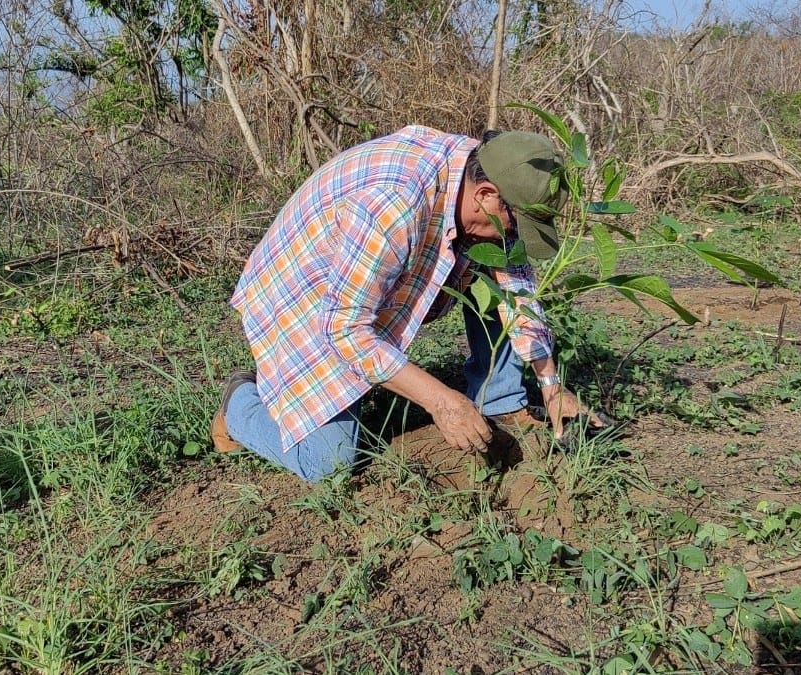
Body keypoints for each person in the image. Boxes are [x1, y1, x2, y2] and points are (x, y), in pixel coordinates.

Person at [210, 126, 604, 482]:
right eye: (516, 223)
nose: (515, 235)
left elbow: (516, 283)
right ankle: (239, 404)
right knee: (328, 461)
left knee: (492, 261)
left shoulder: (490, 170)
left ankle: (500, 398)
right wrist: (441, 401)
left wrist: (551, 387)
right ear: (486, 197)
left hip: (361, 282)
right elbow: (345, 328)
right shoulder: (393, 205)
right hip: (302, 293)